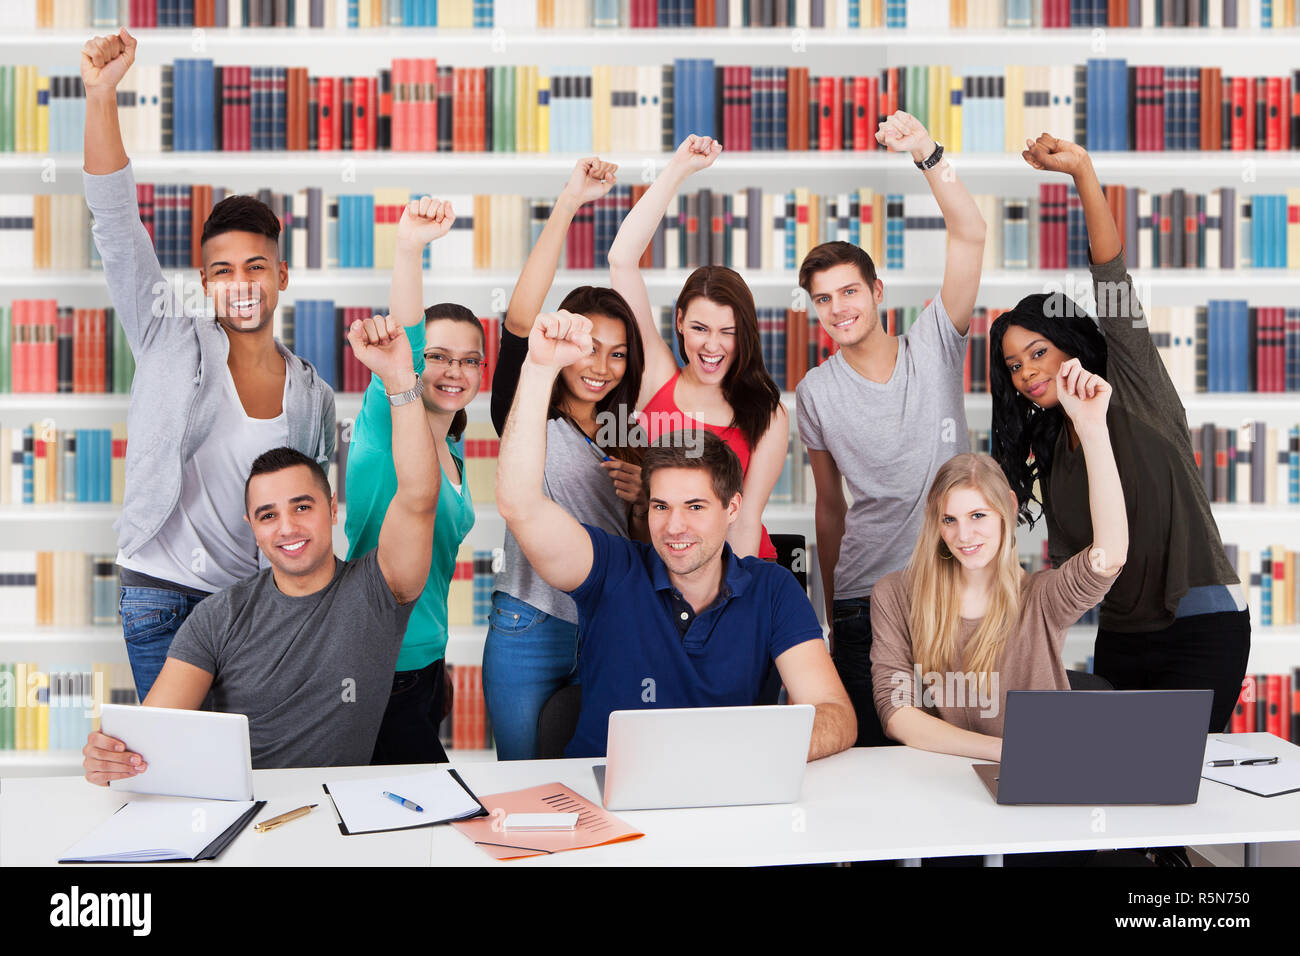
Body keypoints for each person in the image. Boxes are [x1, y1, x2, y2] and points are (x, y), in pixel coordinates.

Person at [81, 29, 335, 701]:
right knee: (175, 764)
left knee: (254, 762)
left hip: (253, 603)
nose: (240, 283)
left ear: (282, 274)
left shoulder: (312, 393)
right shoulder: (167, 333)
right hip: (160, 595)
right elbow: (115, 224)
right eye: (222, 271)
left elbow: (308, 516)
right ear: (203, 281)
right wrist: (102, 96)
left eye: (256, 267)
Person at [81, 314, 440, 780]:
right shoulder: (219, 616)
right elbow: (153, 738)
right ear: (252, 526)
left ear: (332, 508)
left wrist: (398, 378)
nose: (287, 527)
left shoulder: (378, 588)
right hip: (246, 814)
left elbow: (417, 496)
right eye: (268, 515)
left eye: (302, 506)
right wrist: (111, 757)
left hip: (339, 815)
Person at [496, 310, 856, 759]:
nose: (674, 526)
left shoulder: (773, 588)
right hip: (603, 808)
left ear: (733, 509)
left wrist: (732, 754)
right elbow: (518, 505)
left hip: (719, 800)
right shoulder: (611, 570)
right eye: (661, 506)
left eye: (696, 507)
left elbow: (835, 714)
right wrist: (537, 368)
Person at [989, 134, 1250, 734]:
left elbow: (1109, 275)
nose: (1027, 372)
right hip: (1122, 638)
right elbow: (1075, 570)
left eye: (1037, 352)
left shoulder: (1131, 382)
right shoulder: (1052, 450)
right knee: (1117, 798)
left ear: (1070, 347)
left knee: (1172, 787)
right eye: (1014, 365)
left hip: (1200, 625)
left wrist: (1081, 170)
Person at [796, 110, 987, 746]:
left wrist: (927, 153)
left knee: (950, 755)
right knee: (871, 760)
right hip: (862, 600)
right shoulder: (815, 393)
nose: (838, 309)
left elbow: (971, 234)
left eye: (849, 292)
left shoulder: (934, 342)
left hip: (952, 589)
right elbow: (830, 510)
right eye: (823, 299)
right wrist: (829, 608)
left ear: (877, 292)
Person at [869, 363, 1126, 760]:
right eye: (949, 520)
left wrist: (1093, 428)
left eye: (978, 516)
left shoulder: (1042, 598)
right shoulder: (896, 595)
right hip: (952, 783)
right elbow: (897, 712)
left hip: (1042, 779)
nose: (964, 536)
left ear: (1007, 507)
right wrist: (1007, 751)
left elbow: (1109, 555)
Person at [484, 158, 650, 760]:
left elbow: (641, 547)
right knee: (524, 784)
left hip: (609, 627)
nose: (600, 366)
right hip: (530, 625)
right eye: (588, 347)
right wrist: (571, 199)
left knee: (596, 781)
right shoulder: (527, 411)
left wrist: (639, 505)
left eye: (617, 354)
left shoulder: (629, 431)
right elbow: (520, 320)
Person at [344, 197, 483, 765]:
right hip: (378, 662)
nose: (454, 371)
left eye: (470, 360)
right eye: (438, 356)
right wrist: (409, 247)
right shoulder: (385, 426)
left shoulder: (454, 449)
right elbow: (404, 330)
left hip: (426, 659)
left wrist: (439, 662)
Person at [608, 135, 786, 560]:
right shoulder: (656, 376)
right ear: (680, 324)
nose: (713, 345)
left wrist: (726, 612)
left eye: (728, 331)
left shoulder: (766, 413)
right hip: (657, 572)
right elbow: (621, 260)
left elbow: (744, 522)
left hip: (738, 577)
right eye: (701, 328)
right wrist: (678, 170)